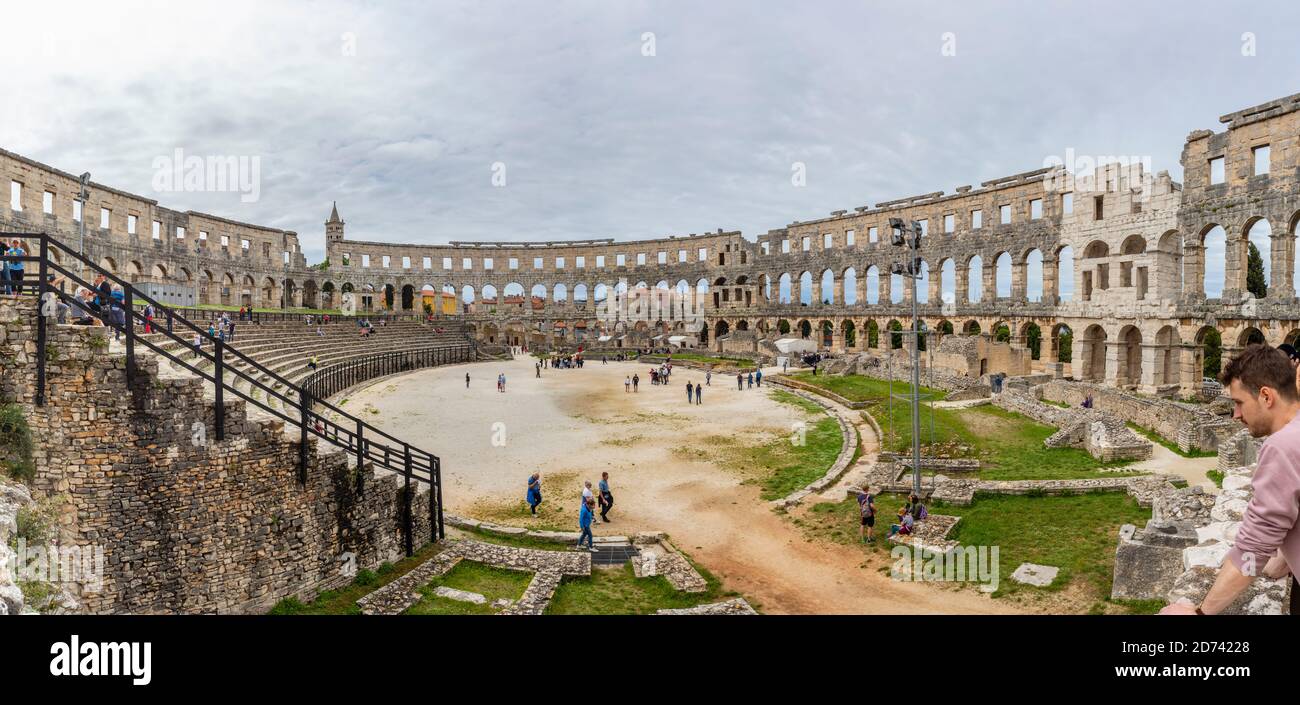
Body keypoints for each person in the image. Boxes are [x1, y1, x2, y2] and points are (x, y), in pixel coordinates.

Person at [1161, 344, 1300, 616]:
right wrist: (1286, 558)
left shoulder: (1283, 446)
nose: (1235, 414)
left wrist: (1200, 614)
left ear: (1265, 396)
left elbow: (1253, 551)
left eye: (1238, 403)